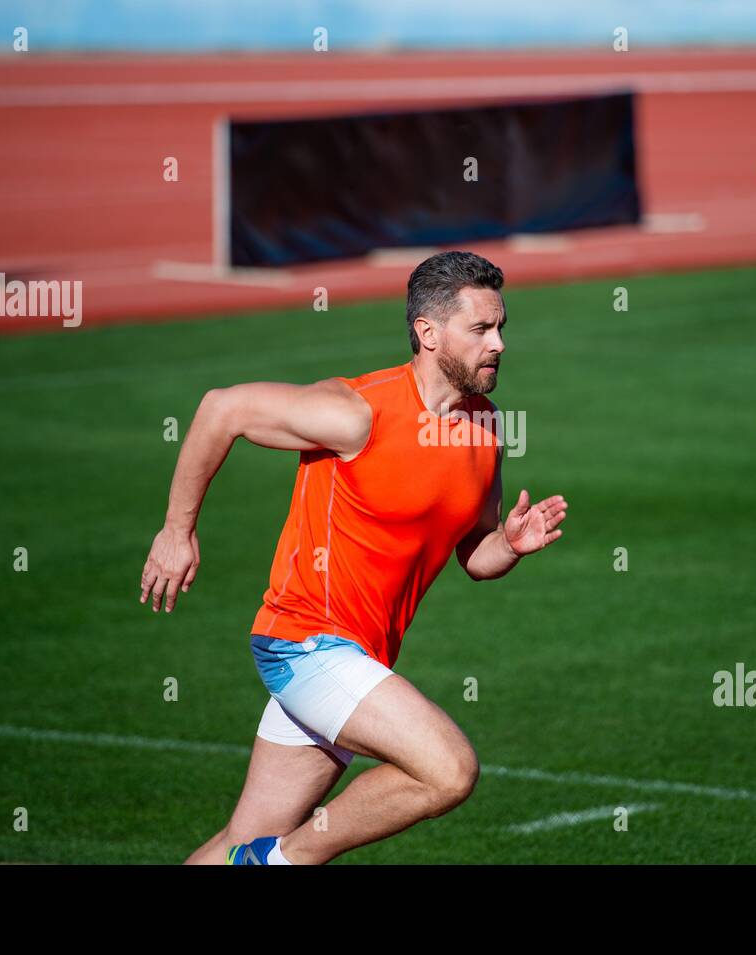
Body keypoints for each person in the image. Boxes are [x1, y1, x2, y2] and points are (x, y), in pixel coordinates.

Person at [139, 250, 567, 864]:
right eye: (480, 329)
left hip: (356, 659)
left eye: (501, 328)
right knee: (448, 770)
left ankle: (260, 857)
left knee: (236, 842)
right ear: (427, 333)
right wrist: (177, 532)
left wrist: (510, 545)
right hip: (306, 641)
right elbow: (220, 408)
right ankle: (286, 860)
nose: (498, 343)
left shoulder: (485, 427)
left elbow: (475, 554)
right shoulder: (357, 412)